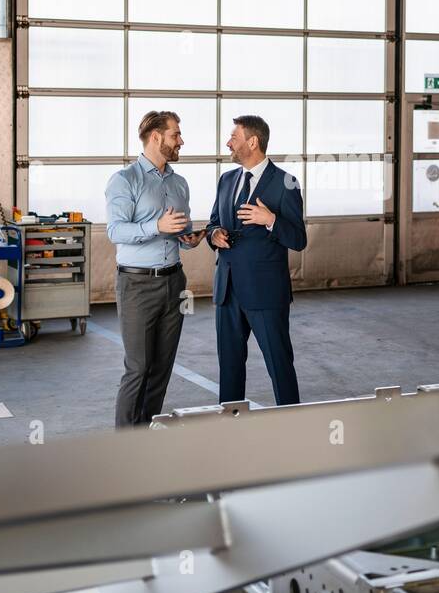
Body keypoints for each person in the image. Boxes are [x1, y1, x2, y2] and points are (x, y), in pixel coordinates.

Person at [104, 110, 205, 427]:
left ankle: (146, 434)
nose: (181, 140)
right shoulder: (125, 180)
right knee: (138, 366)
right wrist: (155, 226)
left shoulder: (180, 183)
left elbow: (177, 231)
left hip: (175, 282)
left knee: (162, 365)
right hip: (136, 285)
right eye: (176, 134)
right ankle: (125, 444)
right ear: (156, 136)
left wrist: (187, 238)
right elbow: (115, 231)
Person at [205, 115, 307, 406]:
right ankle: (231, 424)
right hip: (227, 289)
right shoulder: (226, 180)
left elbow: (299, 239)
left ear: (253, 142)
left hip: (265, 291)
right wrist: (214, 235)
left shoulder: (285, 183)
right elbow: (213, 222)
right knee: (230, 367)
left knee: (279, 364)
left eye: (233, 138)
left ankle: (292, 422)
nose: (228, 143)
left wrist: (271, 219)